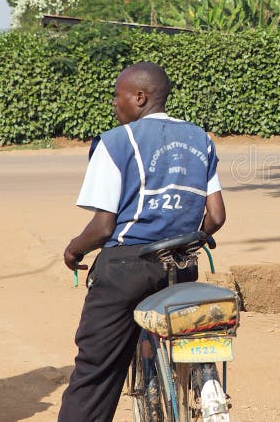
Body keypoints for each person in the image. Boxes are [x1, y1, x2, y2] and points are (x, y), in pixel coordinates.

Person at [58, 62, 226, 422]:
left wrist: (74, 249)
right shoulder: (201, 139)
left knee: (95, 370)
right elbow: (215, 217)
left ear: (140, 97)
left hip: (125, 268)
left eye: (117, 97)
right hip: (182, 263)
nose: (114, 105)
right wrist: (183, 240)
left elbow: (103, 227)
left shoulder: (116, 142)